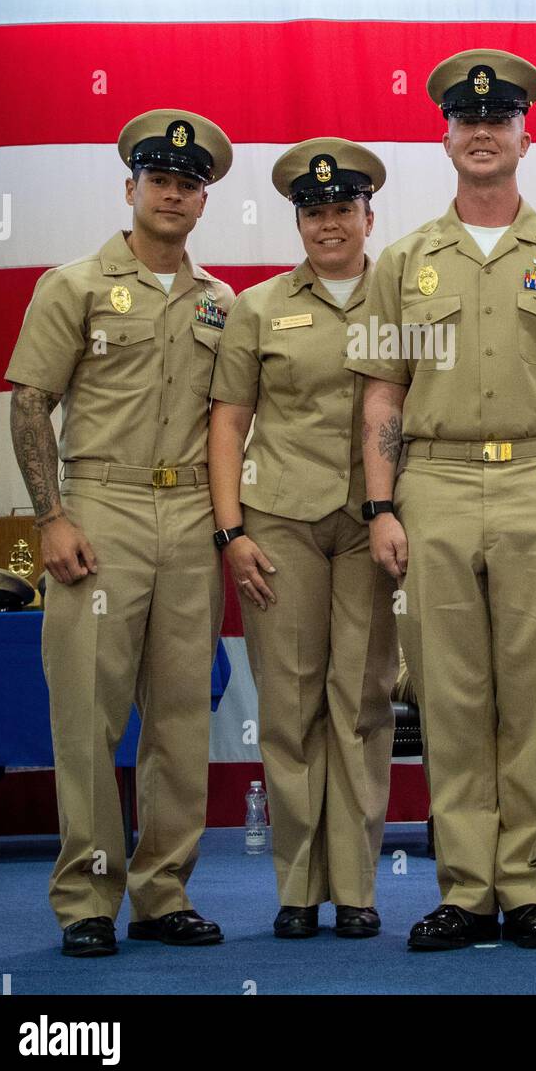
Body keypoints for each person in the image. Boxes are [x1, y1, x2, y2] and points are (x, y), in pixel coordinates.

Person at [345, 49, 536, 950]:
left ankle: (528, 887)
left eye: (497, 119)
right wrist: (382, 507)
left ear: (523, 134)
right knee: (450, 696)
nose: (481, 131)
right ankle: (465, 890)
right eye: (466, 121)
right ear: (444, 135)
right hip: (431, 486)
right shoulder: (402, 261)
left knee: (535, 693)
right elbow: (382, 393)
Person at [6, 109, 234, 957]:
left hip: (191, 516)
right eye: (159, 180)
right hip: (98, 510)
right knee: (88, 716)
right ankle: (87, 898)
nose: (172, 194)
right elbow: (31, 402)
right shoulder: (71, 286)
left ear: (203, 202)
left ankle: (163, 891)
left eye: (188, 185)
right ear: (130, 188)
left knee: (180, 716)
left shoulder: (221, 304)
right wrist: (52, 517)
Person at [208, 137, 397, 940]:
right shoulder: (256, 306)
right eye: (314, 211)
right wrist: (230, 531)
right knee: (288, 707)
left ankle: (354, 887)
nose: (328, 224)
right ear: (299, 220)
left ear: (367, 216)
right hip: (279, 519)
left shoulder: (404, 298)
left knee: (359, 704)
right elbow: (228, 422)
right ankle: (295, 887)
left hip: (370, 523)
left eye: (341, 210)